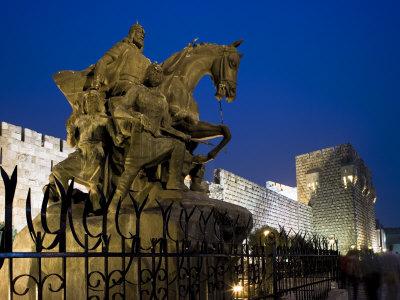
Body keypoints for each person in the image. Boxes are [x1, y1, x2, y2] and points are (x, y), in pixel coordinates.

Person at [110, 63, 189, 205]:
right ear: (147, 75)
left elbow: (166, 126)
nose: (156, 76)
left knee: (178, 145)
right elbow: (120, 109)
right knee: (129, 175)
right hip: (140, 139)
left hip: (155, 141)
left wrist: (181, 134)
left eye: (159, 74)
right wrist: (137, 116)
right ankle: (114, 205)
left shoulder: (162, 99)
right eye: (153, 73)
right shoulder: (137, 90)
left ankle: (173, 184)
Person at [48, 91, 119, 210]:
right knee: (58, 170)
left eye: (94, 100)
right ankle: (65, 202)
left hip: (96, 154)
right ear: (85, 105)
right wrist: (70, 131)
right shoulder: (79, 121)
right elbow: (71, 144)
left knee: (95, 189)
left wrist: (122, 134)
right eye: (88, 101)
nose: (91, 103)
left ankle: (94, 207)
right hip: (80, 154)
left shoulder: (104, 119)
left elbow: (116, 140)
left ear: (98, 103)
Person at [90, 22, 151, 97]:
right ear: (132, 33)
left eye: (143, 35)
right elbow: (103, 61)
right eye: (139, 32)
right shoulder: (123, 47)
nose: (142, 36)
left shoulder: (146, 60)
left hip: (139, 87)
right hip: (120, 84)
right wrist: (96, 83)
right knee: (135, 91)